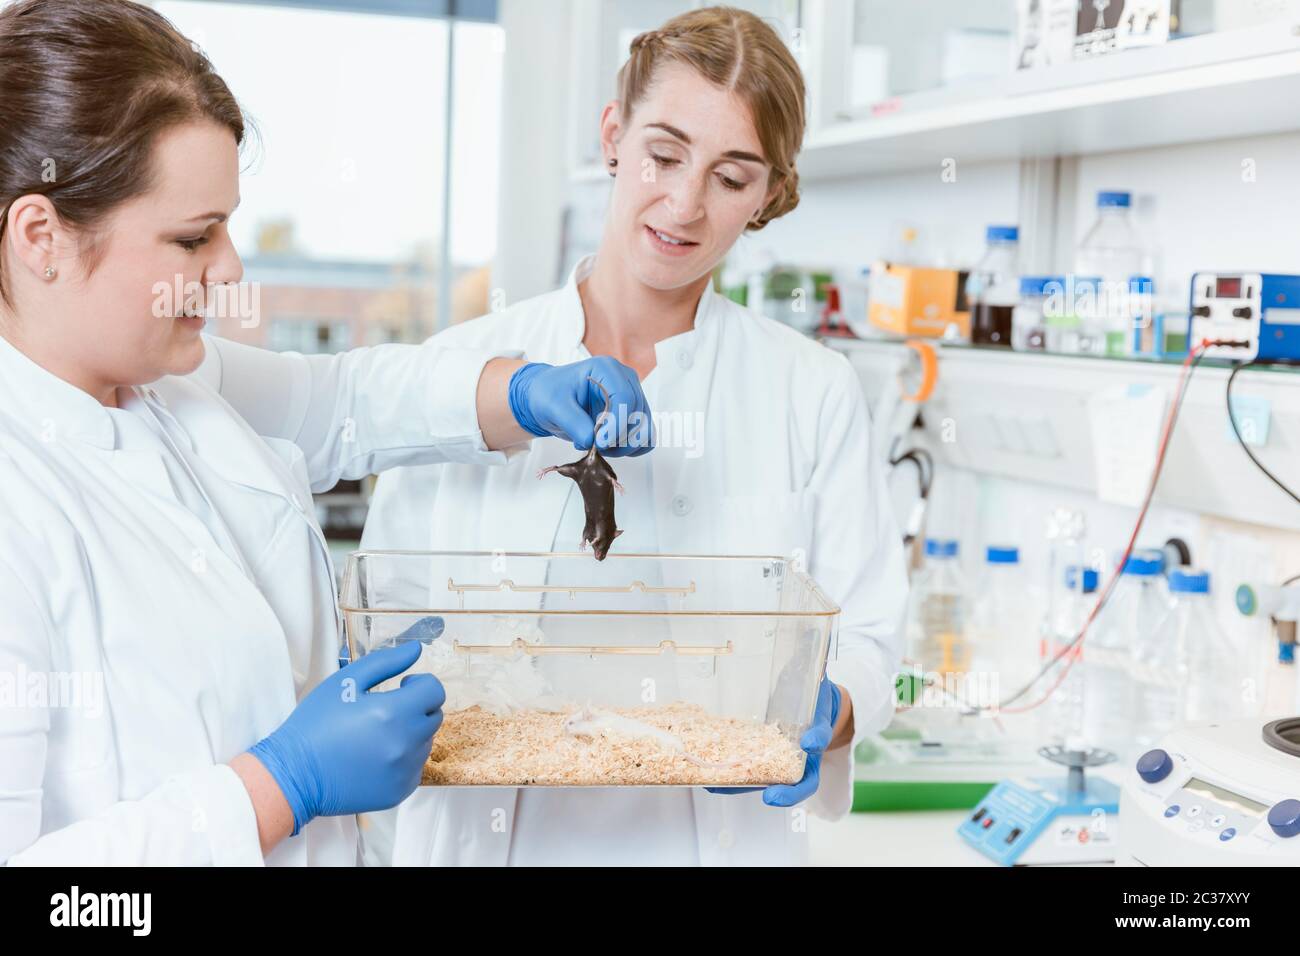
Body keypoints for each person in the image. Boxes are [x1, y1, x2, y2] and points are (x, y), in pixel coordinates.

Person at [0, 0, 650, 866]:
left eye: (228, 224)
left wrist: (521, 391)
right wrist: (279, 786)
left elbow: (344, 402)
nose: (231, 267)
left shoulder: (175, 383)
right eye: (194, 236)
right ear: (41, 236)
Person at [361, 6, 909, 866]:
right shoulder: (462, 372)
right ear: (613, 135)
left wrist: (830, 708)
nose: (684, 204)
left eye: (732, 178)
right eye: (662, 154)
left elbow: (875, 638)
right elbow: (389, 617)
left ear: (768, 193)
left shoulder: (812, 390)